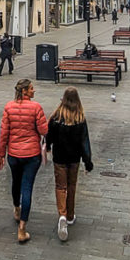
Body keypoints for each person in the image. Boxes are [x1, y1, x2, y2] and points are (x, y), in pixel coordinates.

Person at [0, 78, 49, 244]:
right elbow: (44, 130)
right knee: (27, 188)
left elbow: (4, 132)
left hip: (13, 153)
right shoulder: (36, 107)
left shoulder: (9, 107)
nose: (34, 91)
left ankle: (17, 207)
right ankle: (22, 228)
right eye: (32, 88)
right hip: (31, 154)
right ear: (25, 91)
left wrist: (1, 154)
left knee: (16, 182)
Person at [46, 88, 93, 241]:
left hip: (59, 157)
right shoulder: (80, 118)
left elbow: (49, 136)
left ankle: (62, 214)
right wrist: (88, 161)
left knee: (60, 186)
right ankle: (70, 215)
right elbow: (85, 141)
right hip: (74, 158)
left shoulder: (56, 117)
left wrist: (47, 147)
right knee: (72, 185)